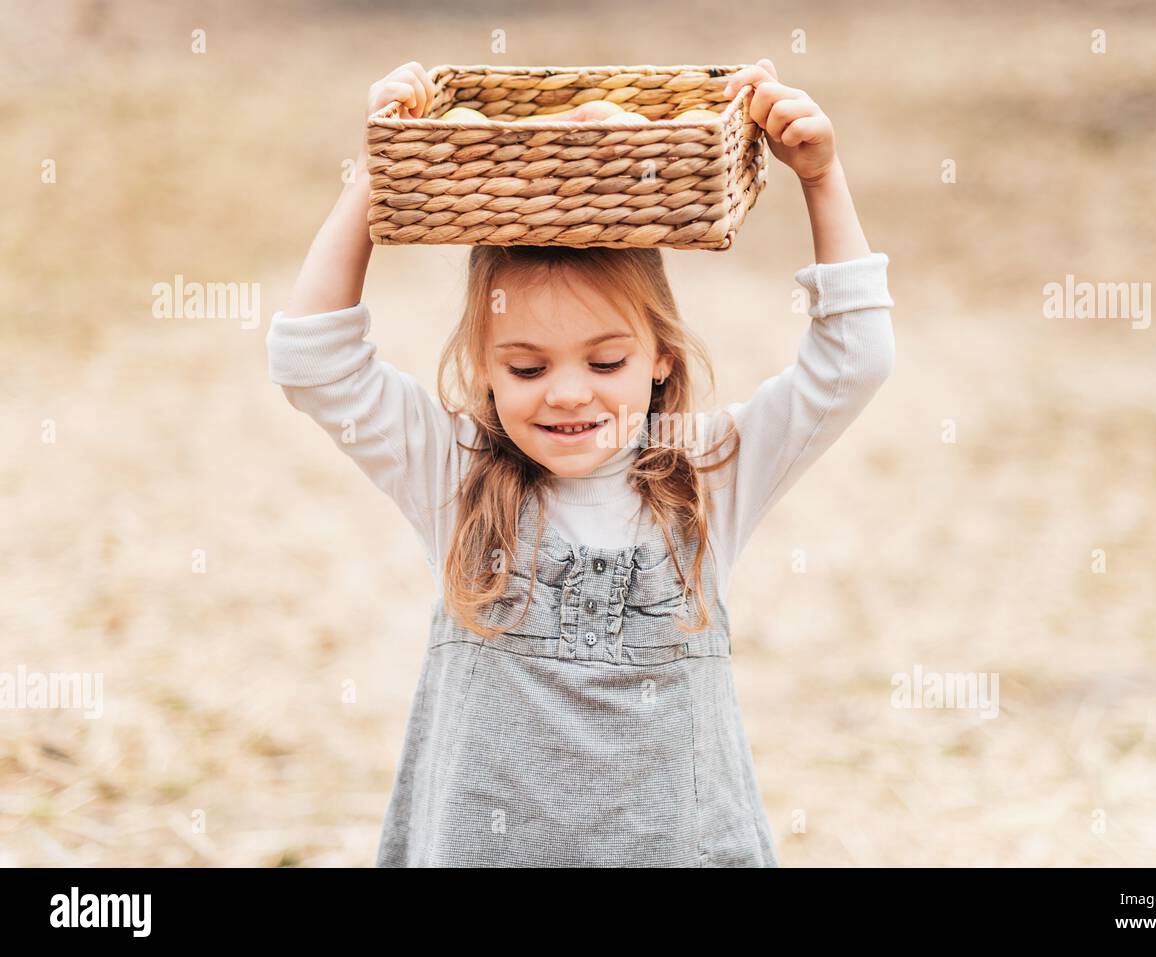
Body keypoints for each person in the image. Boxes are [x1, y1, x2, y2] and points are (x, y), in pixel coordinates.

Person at [265, 58, 896, 866]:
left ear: (661, 358)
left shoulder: (702, 474)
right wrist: (377, 172)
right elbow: (310, 361)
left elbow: (854, 361)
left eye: (606, 363)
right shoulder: (454, 475)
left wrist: (822, 178)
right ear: (484, 368)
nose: (568, 395)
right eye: (527, 368)